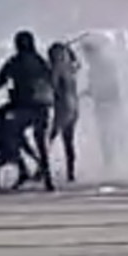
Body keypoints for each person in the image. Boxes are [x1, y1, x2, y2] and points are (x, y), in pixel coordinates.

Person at [0, 30, 56, 192]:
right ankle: (47, 178)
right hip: (42, 109)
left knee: (8, 132)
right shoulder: (40, 62)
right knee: (40, 143)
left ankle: (19, 166)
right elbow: (52, 82)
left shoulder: (15, 62)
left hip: (22, 108)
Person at [81, 38, 124, 176]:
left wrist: (89, 93)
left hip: (107, 103)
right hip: (106, 102)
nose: (86, 58)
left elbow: (109, 85)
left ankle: (111, 163)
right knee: (107, 134)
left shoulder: (101, 66)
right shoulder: (99, 66)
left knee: (107, 134)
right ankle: (111, 162)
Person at [48, 42, 80, 183]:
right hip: (74, 107)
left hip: (62, 107)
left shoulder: (57, 68)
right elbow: (78, 64)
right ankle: (71, 173)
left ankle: (40, 169)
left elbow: (53, 86)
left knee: (49, 139)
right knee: (68, 141)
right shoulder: (70, 68)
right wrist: (70, 51)